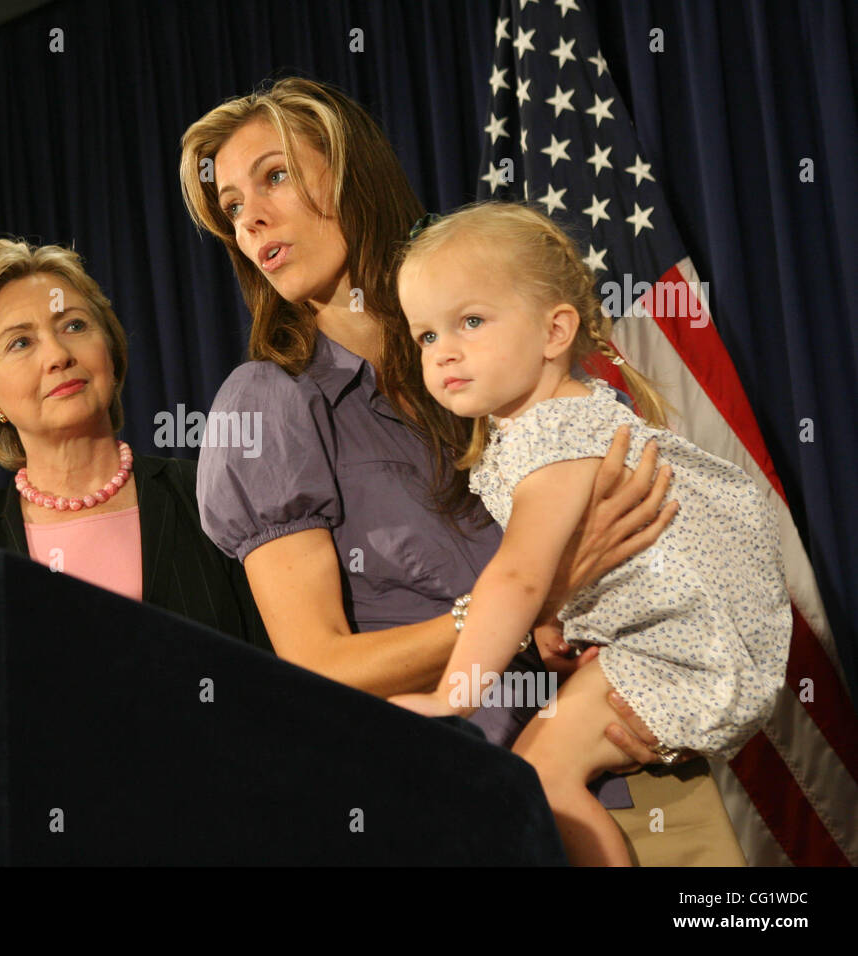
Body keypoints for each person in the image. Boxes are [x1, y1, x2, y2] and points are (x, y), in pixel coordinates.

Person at [179, 76, 746, 864]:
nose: (253, 220)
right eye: (232, 207)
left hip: (650, 764)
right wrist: (517, 612)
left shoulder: (488, 357)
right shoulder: (268, 403)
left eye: (274, 176)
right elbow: (316, 667)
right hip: (479, 807)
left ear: (353, 173)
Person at [389, 202, 791, 864]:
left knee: (540, 782)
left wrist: (451, 696)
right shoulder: (551, 418)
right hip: (672, 643)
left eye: (471, 321)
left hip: (677, 653)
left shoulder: (554, 434)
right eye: (426, 336)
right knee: (537, 778)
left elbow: (519, 576)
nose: (444, 351)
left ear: (555, 331)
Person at [0, 240, 269, 650]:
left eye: (74, 326)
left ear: (110, 351)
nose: (58, 355)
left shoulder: (213, 500)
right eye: (21, 342)